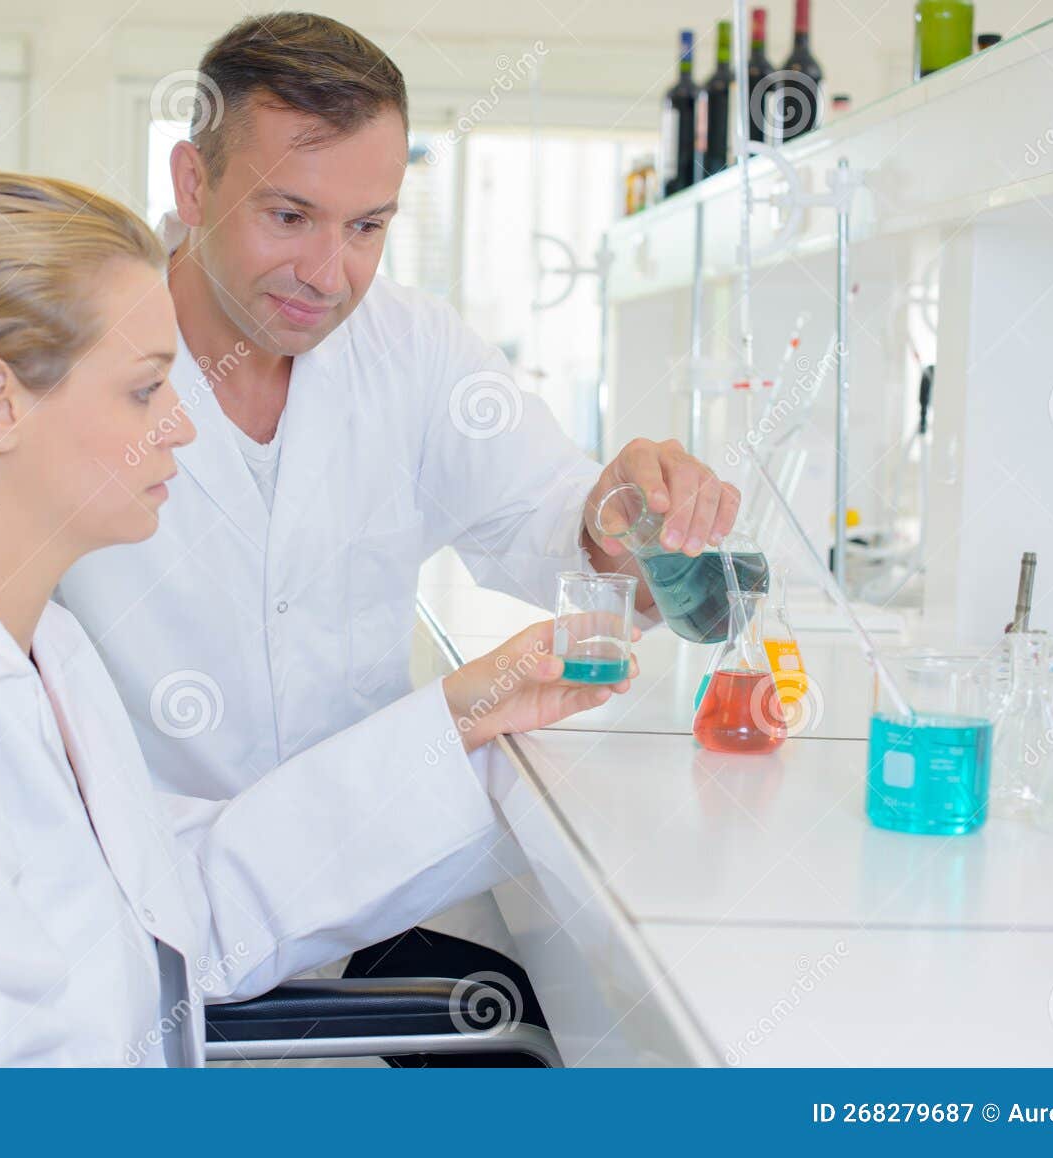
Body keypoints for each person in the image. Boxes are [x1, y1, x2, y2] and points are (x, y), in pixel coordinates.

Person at [0, 171, 632, 1065]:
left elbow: (181, 901)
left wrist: (461, 716)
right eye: (145, 389)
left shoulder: (34, 646)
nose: (182, 427)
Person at [53, 12, 740, 1010]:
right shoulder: (79, 365)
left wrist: (617, 515)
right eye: (287, 216)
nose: (331, 273)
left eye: (367, 226)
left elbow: (548, 517)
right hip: (147, 918)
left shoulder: (410, 349)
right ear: (192, 183)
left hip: (359, 890)